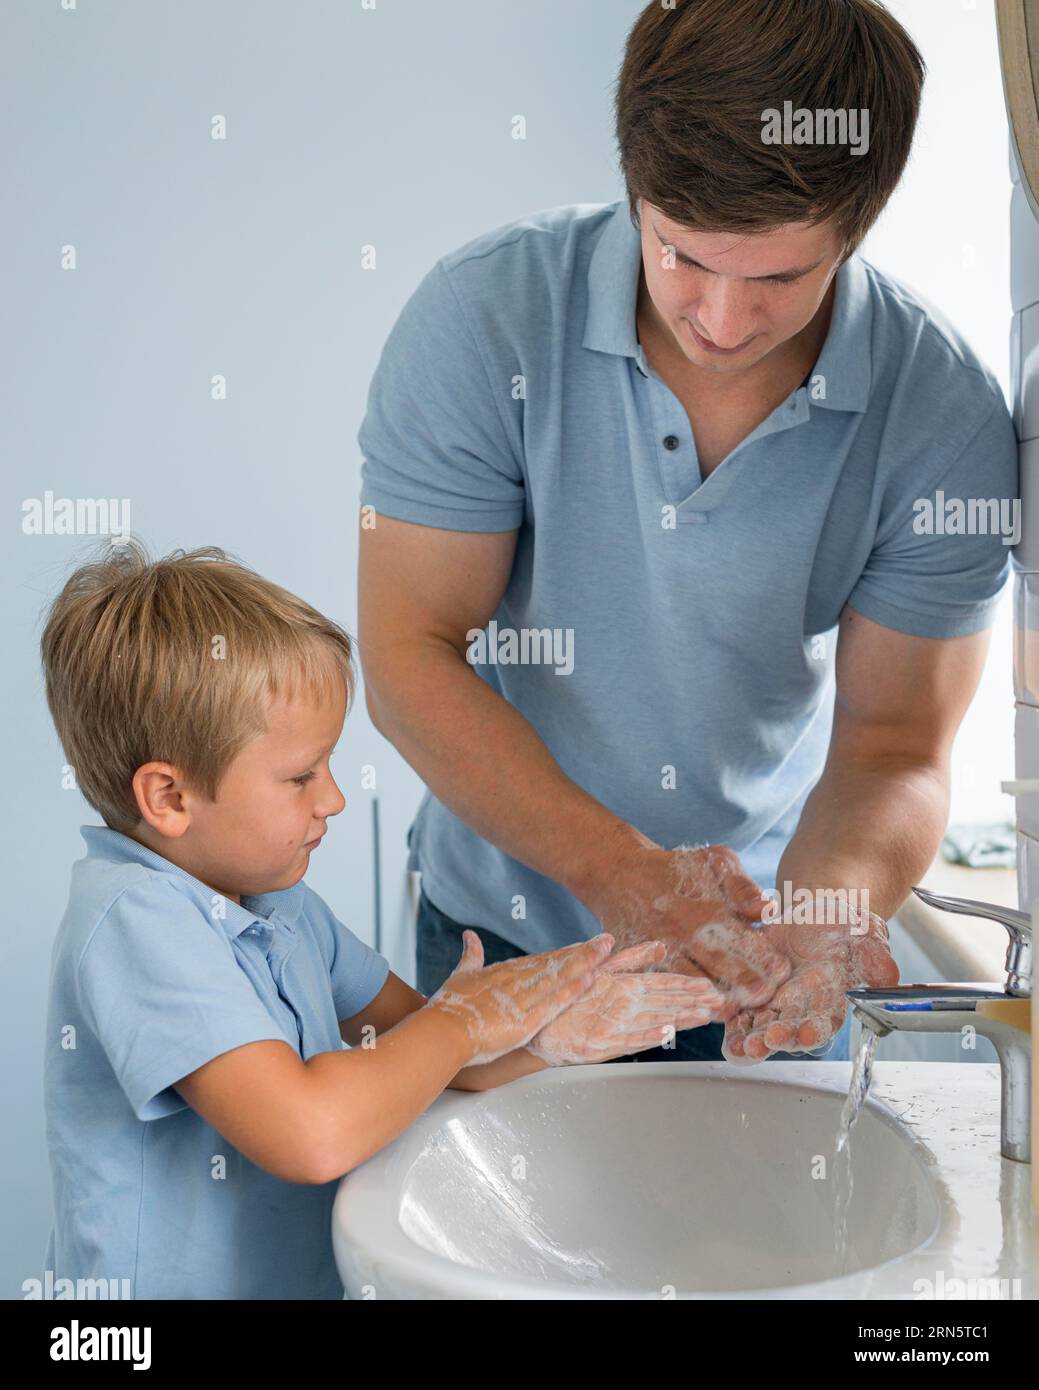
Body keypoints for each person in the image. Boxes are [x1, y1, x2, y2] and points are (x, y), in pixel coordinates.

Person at [356, 0, 1018, 1064]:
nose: (718, 319)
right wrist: (623, 873)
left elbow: (894, 746)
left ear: (857, 225)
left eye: (778, 279)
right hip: (503, 939)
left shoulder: (941, 419)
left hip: (759, 951)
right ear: (634, 187)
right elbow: (407, 657)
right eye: (680, 256)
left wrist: (829, 910)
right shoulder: (482, 320)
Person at [38, 539, 722, 1300]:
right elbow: (309, 1133)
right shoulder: (136, 920)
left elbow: (421, 1056)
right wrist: (464, 1021)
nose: (331, 799)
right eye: (300, 776)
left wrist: (543, 1035)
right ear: (168, 798)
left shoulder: (279, 905)